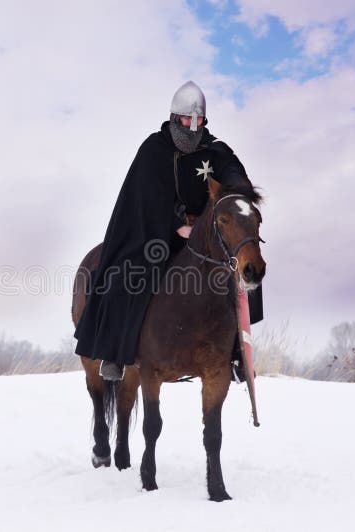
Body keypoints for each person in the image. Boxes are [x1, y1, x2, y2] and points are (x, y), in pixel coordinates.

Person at [73, 81, 263, 381]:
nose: (193, 124)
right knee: (128, 273)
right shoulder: (154, 149)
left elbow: (234, 175)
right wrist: (176, 224)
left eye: (199, 119)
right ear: (175, 118)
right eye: (188, 119)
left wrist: (237, 195)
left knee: (244, 265)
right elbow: (147, 195)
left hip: (204, 232)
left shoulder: (216, 150)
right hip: (157, 231)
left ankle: (236, 354)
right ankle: (114, 352)